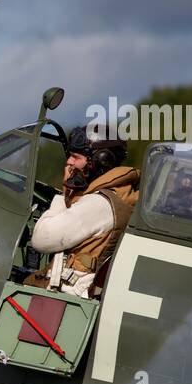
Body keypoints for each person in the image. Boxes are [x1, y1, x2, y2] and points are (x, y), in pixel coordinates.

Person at [28, 125, 140, 298]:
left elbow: (41, 240)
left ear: (100, 161)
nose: (69, 162)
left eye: (75, 157)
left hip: (64, 298)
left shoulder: (99, 204)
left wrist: (65, 192)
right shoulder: (119, 195)